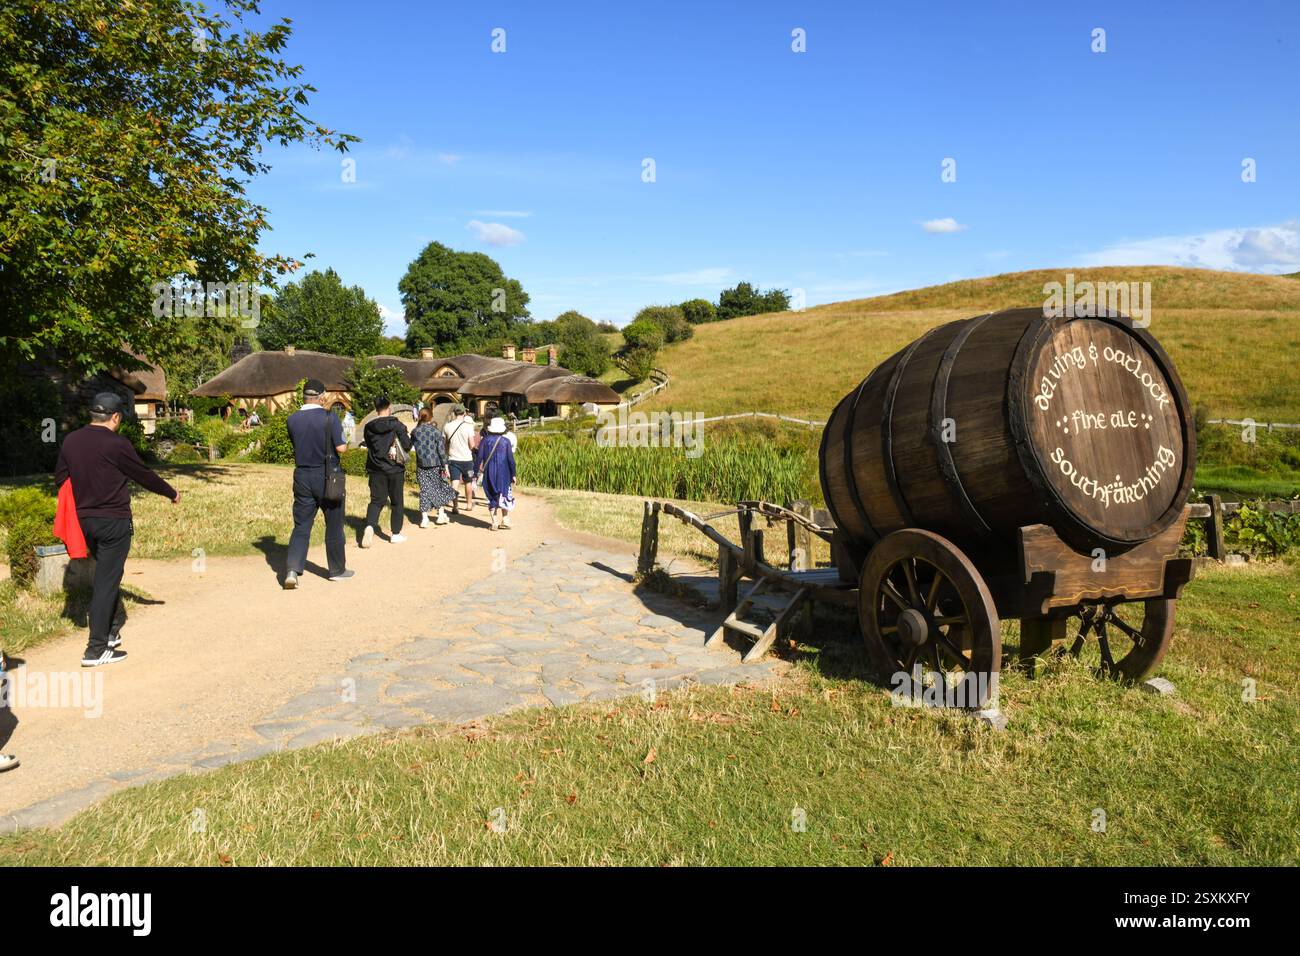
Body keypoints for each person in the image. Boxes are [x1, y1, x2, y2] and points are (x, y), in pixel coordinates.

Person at [54, 392, 181, 666]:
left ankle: (110, 633)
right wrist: (170, 492)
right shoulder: (117, 444)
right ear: (115, 417)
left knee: (107, 576)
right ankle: (96, 649)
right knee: (106, 582)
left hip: (85, 520)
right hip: (114, 522)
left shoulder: (71, 441)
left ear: (92, 414)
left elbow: (61, 478)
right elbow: (143, 474)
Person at [285, 379, 351, 587]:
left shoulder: (292, 419)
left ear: (304, 396)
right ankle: (336, 570)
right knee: (333, 523)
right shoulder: (329, 417)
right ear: (321, 396)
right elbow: (341, 448)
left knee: (302, 525)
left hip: (302, 475)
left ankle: (292, 571)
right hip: (327, 475)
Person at [361, 395, 412, 547]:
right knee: (397, 502)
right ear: (389, 407)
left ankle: (370, 525)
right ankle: (395, 534)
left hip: (376, 468)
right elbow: (407, 445)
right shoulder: (397, 425)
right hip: (395, 468)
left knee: (376, 501)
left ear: (376, 409)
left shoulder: (369, 427)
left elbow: (369, 445)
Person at [411, 408, 456, 528]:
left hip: (421, 464)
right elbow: (441, 451)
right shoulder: (435, 432)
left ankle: (424, 519)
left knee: (424, 490)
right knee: (439, 488)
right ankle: (440, 514)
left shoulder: (415, 432)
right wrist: (445, 465)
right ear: (431, 417)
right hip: (435, 464)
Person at [478, 416, 517, 531]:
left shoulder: (484, 440)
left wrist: (475, 471)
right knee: (504, 495)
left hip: (489, 471)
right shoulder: (506, 442)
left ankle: (494, 522)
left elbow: (479, 457)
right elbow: (511, 460)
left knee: (492, 496)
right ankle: (505, 519)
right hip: (504, 472)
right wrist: (513, 474)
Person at [443, 404, 477, 513]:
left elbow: (444, 444)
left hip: (453, 459)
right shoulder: (468, 426)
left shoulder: (447, 426)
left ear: (454, 413)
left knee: (454, 482)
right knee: (468, 482)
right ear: (464, 413)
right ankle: (469, 504)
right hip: (467, 460)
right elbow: (472, 445)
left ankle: (455, 506)